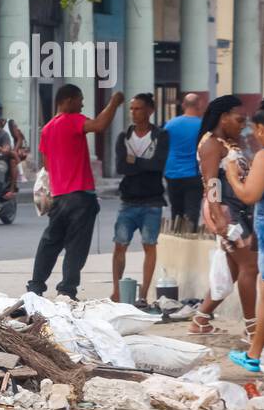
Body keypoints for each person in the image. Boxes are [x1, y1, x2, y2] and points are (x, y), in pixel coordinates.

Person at [27, 85, 125, 300]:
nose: (82, 105)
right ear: (68, 100)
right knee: (76, 247)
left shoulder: (47, 129)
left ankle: (35, 287)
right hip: (80, 196)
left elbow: (47, 165)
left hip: (59, 197)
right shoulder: (73, 120)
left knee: (50, 243)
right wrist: (114, 103)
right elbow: (100, 125)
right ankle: (67, 290)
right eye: (80, 100)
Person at [189, 95, 257, 339]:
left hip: (237, 209)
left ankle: (201, 319)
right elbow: (211, 184)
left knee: (236, 268)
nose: (243, 125)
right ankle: (253, 329)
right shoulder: (212, 144)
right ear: (223, 117)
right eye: (239, 119)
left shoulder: (226, 142)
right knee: (249, 265)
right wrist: (220, 221)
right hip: (226, 211)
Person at [112, 93, 169, 307]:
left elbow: (158, 165)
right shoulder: (123, 137)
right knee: (120, 245)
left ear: (150, 110)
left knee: (149, 245)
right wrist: (142, 163)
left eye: (138, 108)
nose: (134, 112)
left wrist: (134, 161)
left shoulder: (161, 136)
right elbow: (121, 167)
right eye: (132, 108)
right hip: (128, 200)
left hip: (153, 201)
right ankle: (117, 291)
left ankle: (143, 294)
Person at [223, 109, 264, 371]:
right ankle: (254, 353)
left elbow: (249, 195)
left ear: (262, 129)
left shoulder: (263, 156)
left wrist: (231, 176)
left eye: (256, 130)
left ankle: (253, 355)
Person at [163, 92, 204, 230]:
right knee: (192, 211)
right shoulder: (203, 126)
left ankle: (177, 239)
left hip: (172, 172)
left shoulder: (170, 125)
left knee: (176, 211)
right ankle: (190, 239)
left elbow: (163, 146)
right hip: (194, 173)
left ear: (183, 105)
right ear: (199, 105)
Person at [0, 99, 29, 191]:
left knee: (12, 161)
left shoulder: (10, 123)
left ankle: (12, 187)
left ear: (0, 111)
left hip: (9, 151)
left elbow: (19, 138)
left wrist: (15, 149)